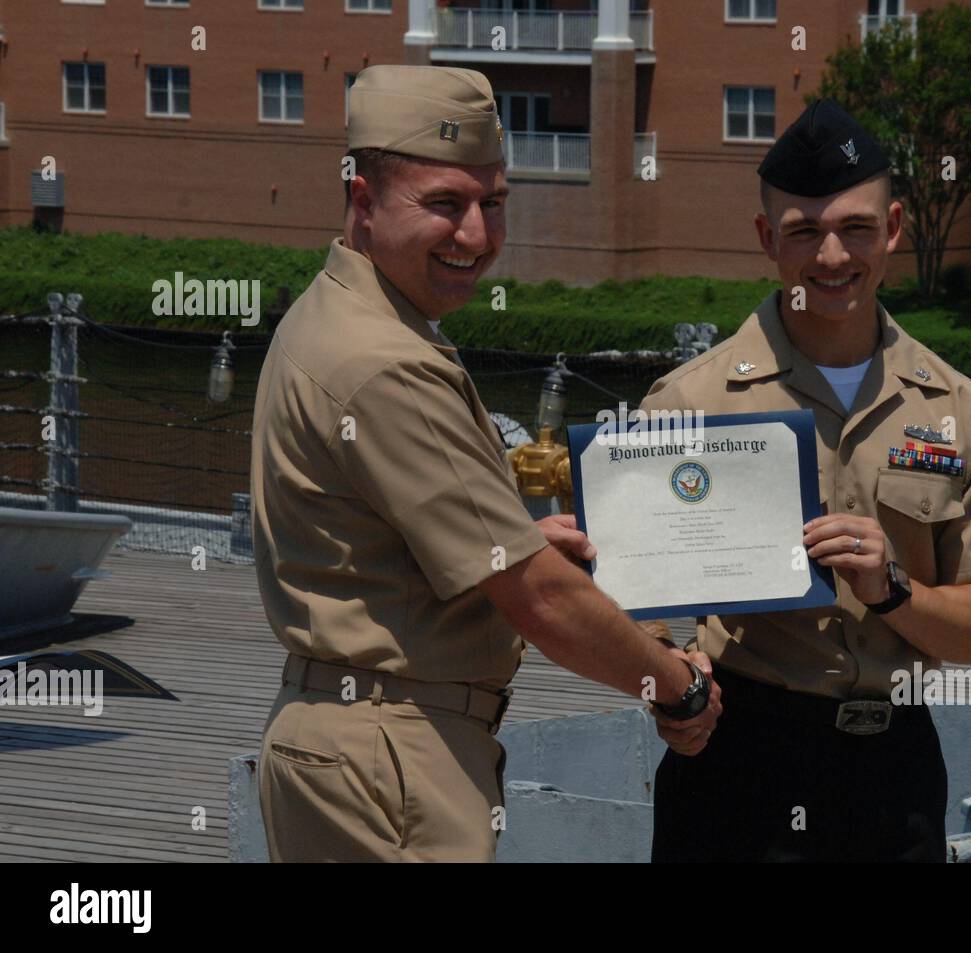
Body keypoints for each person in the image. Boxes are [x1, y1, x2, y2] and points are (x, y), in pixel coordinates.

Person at [250, 65, 719, 862]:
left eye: (492, 203)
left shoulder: (337, 316)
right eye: (444, 205)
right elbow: (535, 597)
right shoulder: (386, 362)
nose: (476, 235)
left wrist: (529, 548)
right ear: (364, 201)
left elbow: (462, 560)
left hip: (354, 738)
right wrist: (677, 688)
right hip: (393, 755)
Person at [639, 100, 971, 862]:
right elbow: (624, 592)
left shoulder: (955, 407)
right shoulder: (692, 402)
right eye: (803, 232)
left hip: (895, 776)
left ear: (892, 230)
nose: (831, 258)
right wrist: (664, 672)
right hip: (738, 769)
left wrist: (895, 591)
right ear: (767, 240)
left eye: (855, 229)